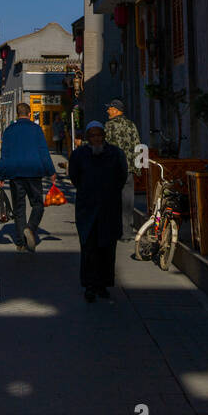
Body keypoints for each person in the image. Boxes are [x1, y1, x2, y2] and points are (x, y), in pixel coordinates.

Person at [68, 120, 127, 302]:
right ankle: (90, 285)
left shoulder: (115, 154)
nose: (96, 139)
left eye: (99, 135)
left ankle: (103, 284)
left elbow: (121, 176)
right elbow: (74, 176)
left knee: (107, 248)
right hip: (87, 209)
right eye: (92, 135)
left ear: (104, 136)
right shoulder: (79, 155)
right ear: (87, 138)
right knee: (89, 248)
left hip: (109, 208)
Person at [0, 102, 56, 253]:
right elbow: (43, 152)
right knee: (38, 204)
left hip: (15, 174)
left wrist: (1, 175)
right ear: (29, 114)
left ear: (17, 114)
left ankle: (20, 243)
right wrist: (51, 171)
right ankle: (30, 228)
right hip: (33, 173)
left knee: (19, 208)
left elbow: (5, 155)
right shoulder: (36, 129)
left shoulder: (9, 131)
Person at [104, 98, 142, 237]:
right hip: (129, 170)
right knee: (128, 201)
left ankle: (116, 230)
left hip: (114, 170)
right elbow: (138, 146)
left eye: (110, 108)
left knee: (113, 200)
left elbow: (104, 146)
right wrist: (138, 169)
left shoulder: (109, 126)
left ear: (116, 110)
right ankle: (127, 232)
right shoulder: (131, 125)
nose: (107, 110)